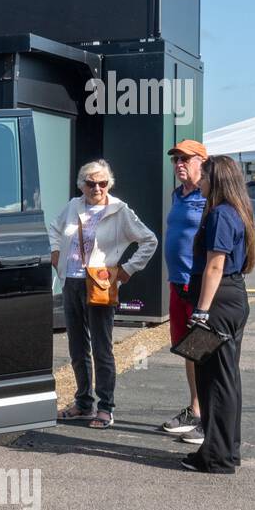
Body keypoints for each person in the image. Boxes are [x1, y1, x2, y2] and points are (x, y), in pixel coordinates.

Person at [49, 159, 158, 429]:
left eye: (102, 183)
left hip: (99, 284)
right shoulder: (74, 206)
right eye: (90, 183)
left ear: (109, 184)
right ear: (81, 185)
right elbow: (53, 227)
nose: (96, 188)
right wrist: (55, 254)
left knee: (101, 348)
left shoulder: (119, 210)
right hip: (72, 281)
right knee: (76, 347)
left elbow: (149, 240)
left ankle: (106, 407)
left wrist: (126, 271)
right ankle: (83, 403)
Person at [181, 154, 255, 474]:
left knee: (217, 380)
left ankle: (218, 457)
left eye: (206, 177)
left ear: (217, 181)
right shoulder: (235, 211)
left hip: (218, 302)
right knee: (221, 377)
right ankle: (221, 449)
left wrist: (201, 310)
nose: (201, 182)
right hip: (230, 298)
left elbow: (215, 264)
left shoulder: (221, 215)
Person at [158, 140, 208, 442]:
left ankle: (209, 419)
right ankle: (196, 409)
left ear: (202, 161)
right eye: (175, 159)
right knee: (189, 352)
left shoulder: (210, 196)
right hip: (178, 285)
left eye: (185, 159)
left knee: (205, 352)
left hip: (198, 286)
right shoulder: (179, 194)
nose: (178, 164)